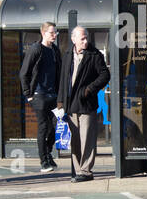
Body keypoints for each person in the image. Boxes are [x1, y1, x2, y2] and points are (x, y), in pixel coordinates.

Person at [59, 26, 110, 182]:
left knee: (87, 138)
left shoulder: (94, 54)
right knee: (75, 139)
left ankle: (86, 171)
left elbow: (105, 75)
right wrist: (60, 102)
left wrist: (89, 89)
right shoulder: (67, 55)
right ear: (73, 39)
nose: (85, 41)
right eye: (82, 38)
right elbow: (62, 79)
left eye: (86, 37)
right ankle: (78, 169)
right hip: (71, 104)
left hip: (87, 103)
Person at [19, 22, 61, 171]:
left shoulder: (55, 51)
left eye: (56, 32)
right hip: (39, 94)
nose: (54, 35)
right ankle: (43, 161)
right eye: (52, 33)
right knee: (44, 126)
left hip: (53, 95)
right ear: (43, 33)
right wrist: (28, 95)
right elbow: (24, 73)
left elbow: (59, 73)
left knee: (55, 125)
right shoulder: (36, 49)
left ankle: (48, 154)